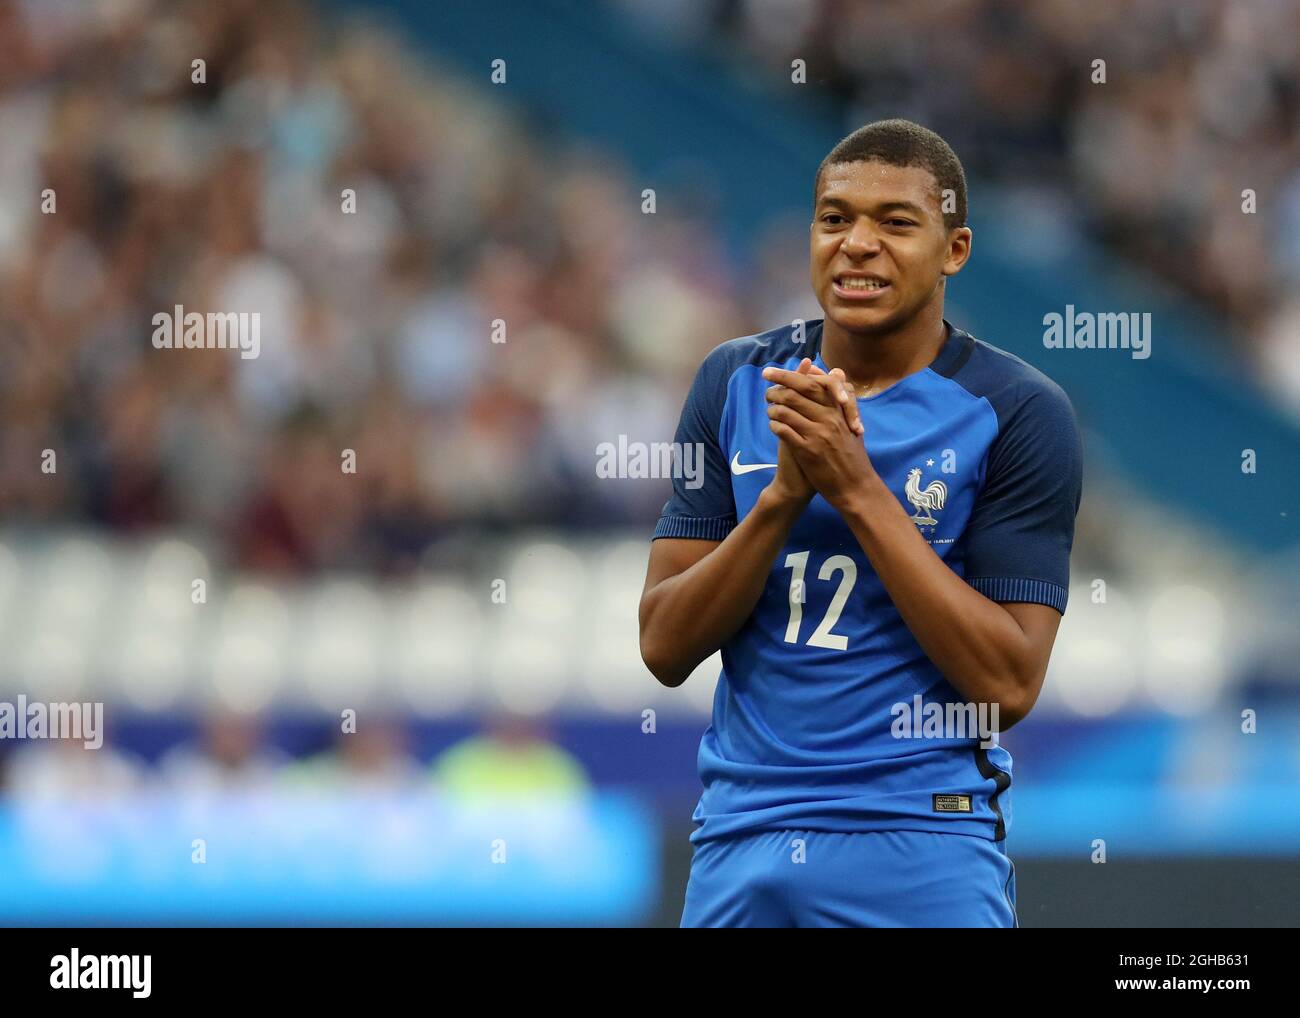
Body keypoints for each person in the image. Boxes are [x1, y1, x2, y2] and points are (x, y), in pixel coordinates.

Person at [639, 119, 1083, 927]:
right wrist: (779, 502)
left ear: (955, 250)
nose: (858, 244)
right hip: (741, 840)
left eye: (896, 222)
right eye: (835, 218)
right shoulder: (734, 382)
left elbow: (1009, 683)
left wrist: (855, 490)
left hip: (920, 840)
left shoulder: (1018, 412)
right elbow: (664, 647)